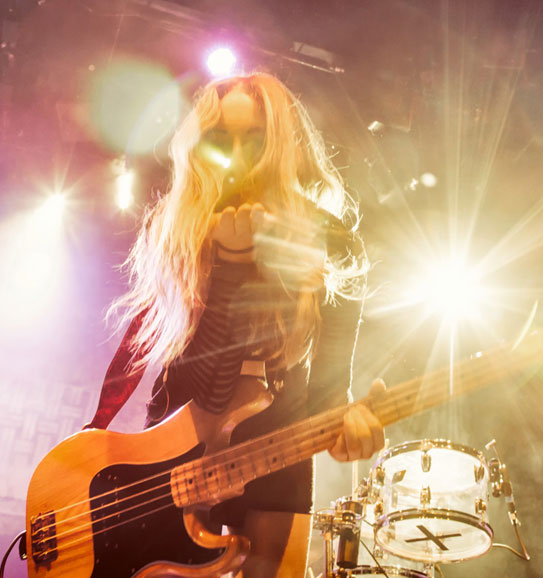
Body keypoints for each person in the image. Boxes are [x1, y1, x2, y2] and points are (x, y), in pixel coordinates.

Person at [87, 71, 385, 578]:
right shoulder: (184, 227)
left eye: (257, 138)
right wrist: (229, 271)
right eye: (223, 138)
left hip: (278, 438)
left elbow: (331, 389)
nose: (241, 154)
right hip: (177, 435)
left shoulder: (331, 242)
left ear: (282, 145)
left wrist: (346, 425)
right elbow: (208, 389)